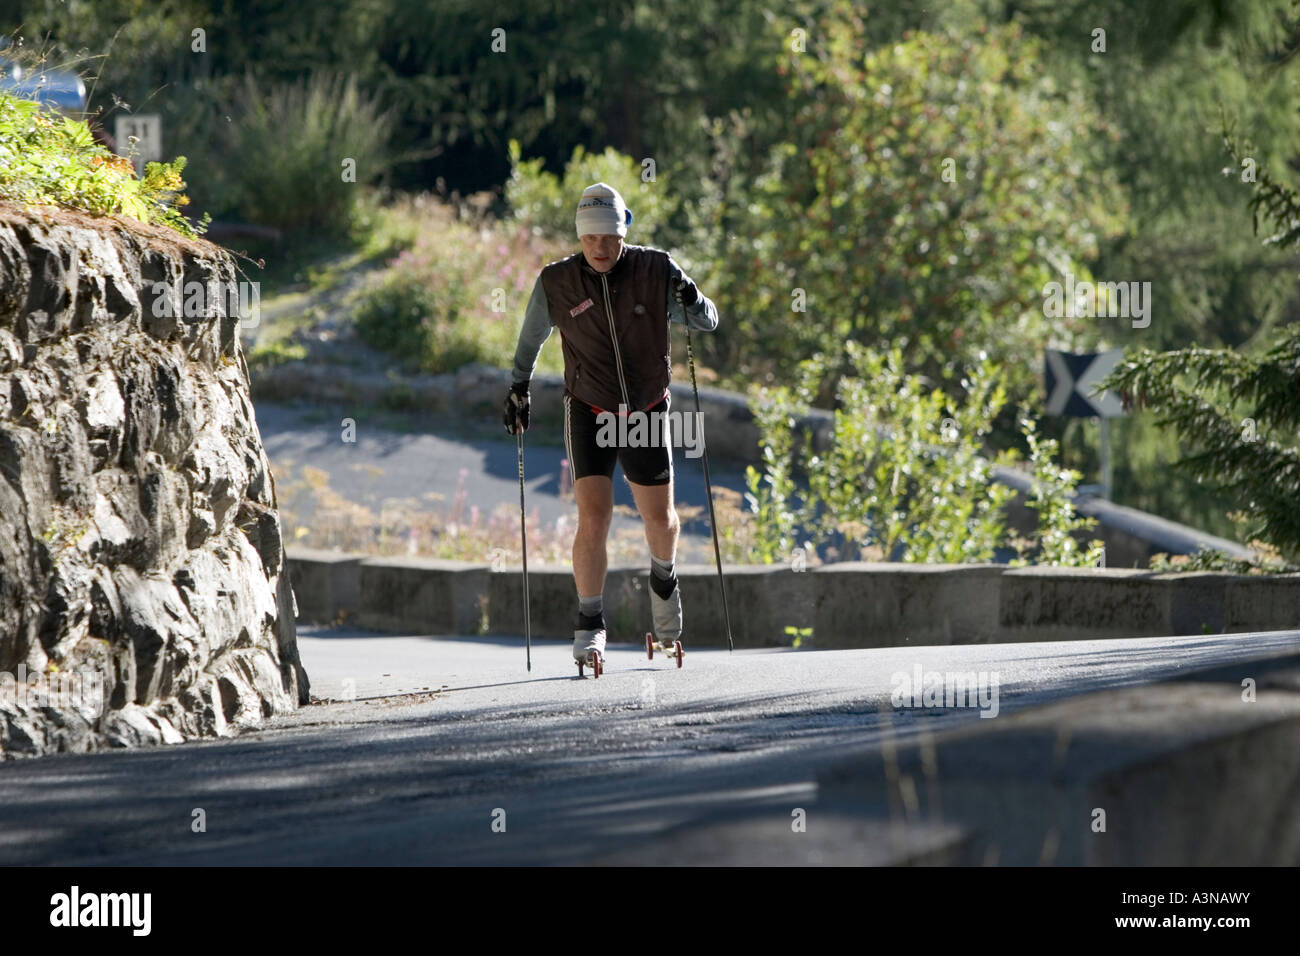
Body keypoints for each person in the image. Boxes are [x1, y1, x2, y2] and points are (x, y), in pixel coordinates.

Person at [503, 181, 719, 665]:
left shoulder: (656, 269)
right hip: (590, 409)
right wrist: (518, 386)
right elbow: (530, 339)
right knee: (594, 518)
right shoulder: (556, 282)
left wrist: (693, 296)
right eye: (590, 239)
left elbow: (708, 321)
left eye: (610, 238)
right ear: (579, 238)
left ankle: (664, 591)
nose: (601, 248)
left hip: (644, 410)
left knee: (659, 521)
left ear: (624, 233)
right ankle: (590, 624)